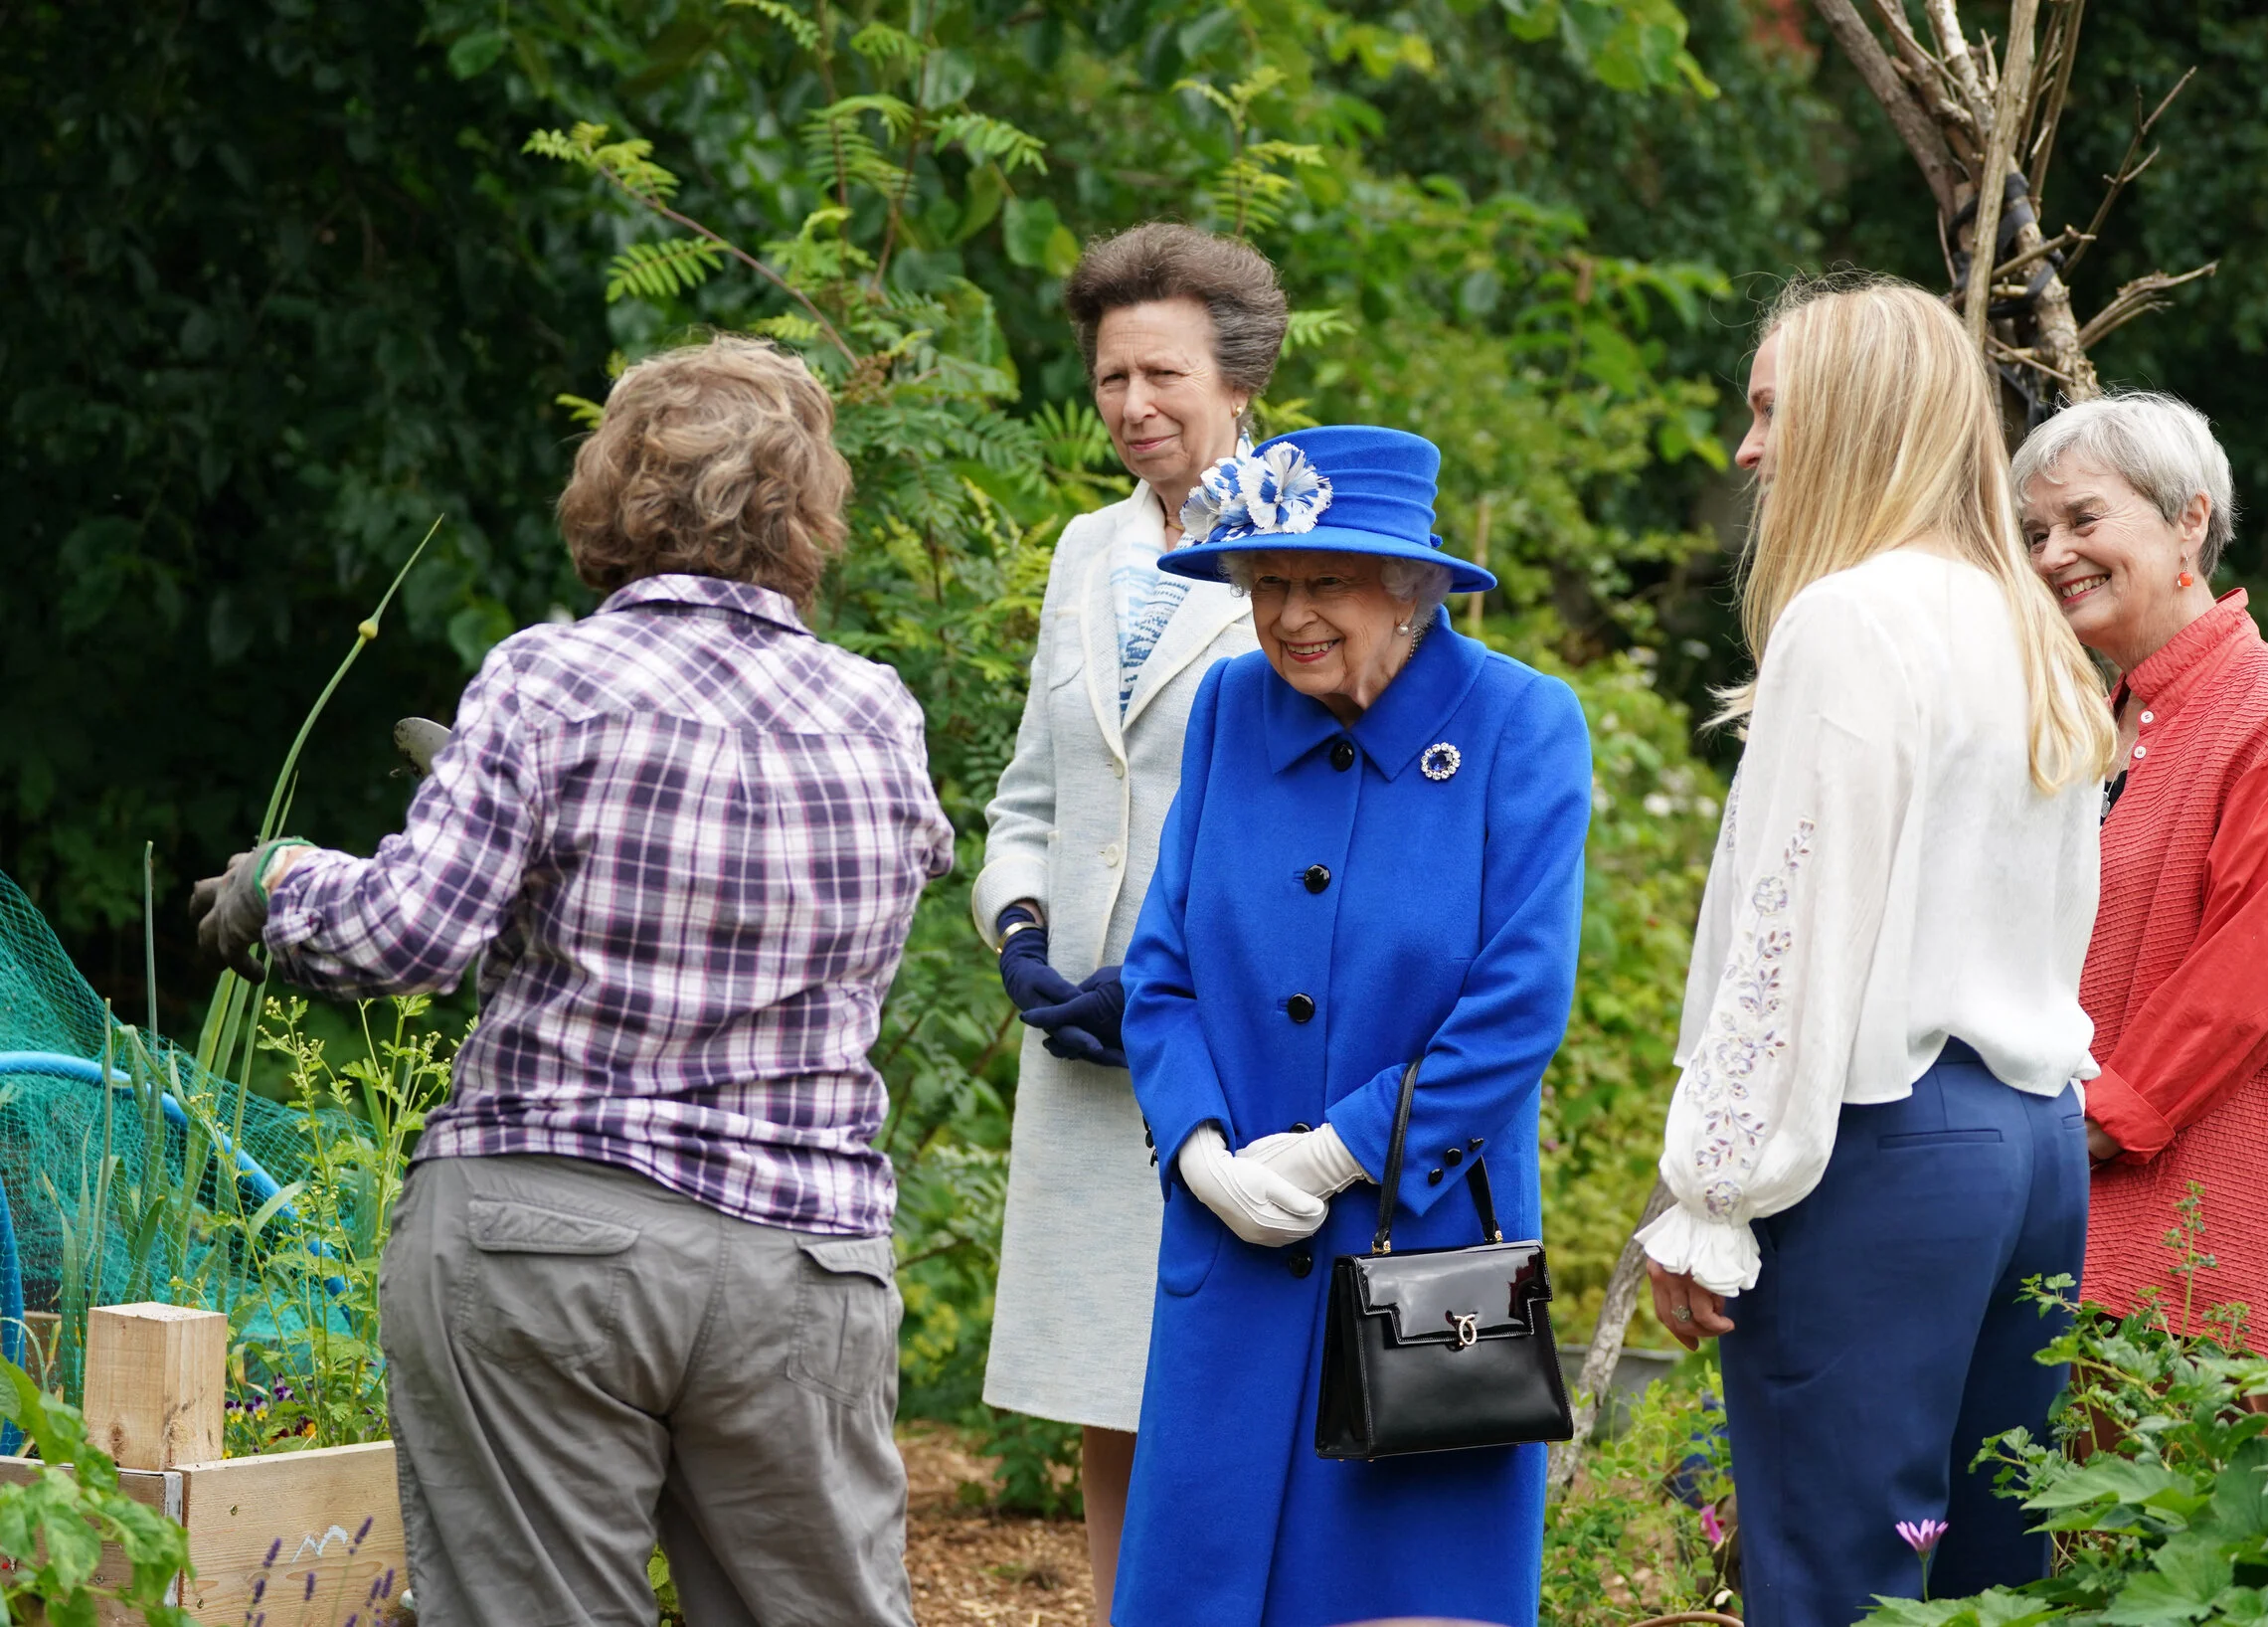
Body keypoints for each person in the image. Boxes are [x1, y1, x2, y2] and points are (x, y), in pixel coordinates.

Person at [189, 336, 953, 1627]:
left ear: (612, 492)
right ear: (809, 511)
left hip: (549, 1232)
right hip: (803, 1262)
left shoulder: (547, 679)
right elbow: (894, 884)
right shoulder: (877, 709)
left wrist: (284, 881)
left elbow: (409, 939)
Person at [1636, 279, 2118, 1626]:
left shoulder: (1851, 620)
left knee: (1837, 1575)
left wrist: (1713, 1193)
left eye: (1769, 411)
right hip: (2029, 1146)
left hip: (1886, 1152)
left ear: (1852, 418)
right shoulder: (2027, 625)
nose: (1747, 450)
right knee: (1980, 1577)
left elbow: (1797, 934)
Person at [1114, 425, 1590, 1627]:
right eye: (1266, 581)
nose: (1290, 615)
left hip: (1421, 1264)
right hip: (1233, 1243)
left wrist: (1340, 1151)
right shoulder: (1228, 709)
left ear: (1411, 587)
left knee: (1405, 1599)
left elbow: (1520, 1001)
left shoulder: (1520, 721)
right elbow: (1160, 971)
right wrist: (1200, 1150)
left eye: (1326, 580)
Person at [971, 223, 1282, 1610]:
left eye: (1164, 375)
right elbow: (1032, 792)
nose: (1133, 405)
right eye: (1111, 378)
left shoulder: (1305, 535)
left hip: (1235, 1040)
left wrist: (1170, 973)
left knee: (1235, 1370)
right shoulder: (1085, 548)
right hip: (1087, 1045)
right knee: (1110, 1377)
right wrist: (1022, 935)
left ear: (1239, 377)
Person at [2015, 392, 2268, 1359]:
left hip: (2201, 1270)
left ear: (2189, 518)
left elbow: (2245, 988)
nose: (2052, 554)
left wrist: (2084, 1126)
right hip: (2064, 1232)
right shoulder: (2088, 724)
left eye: (2083, 519)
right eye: (2035, 533)